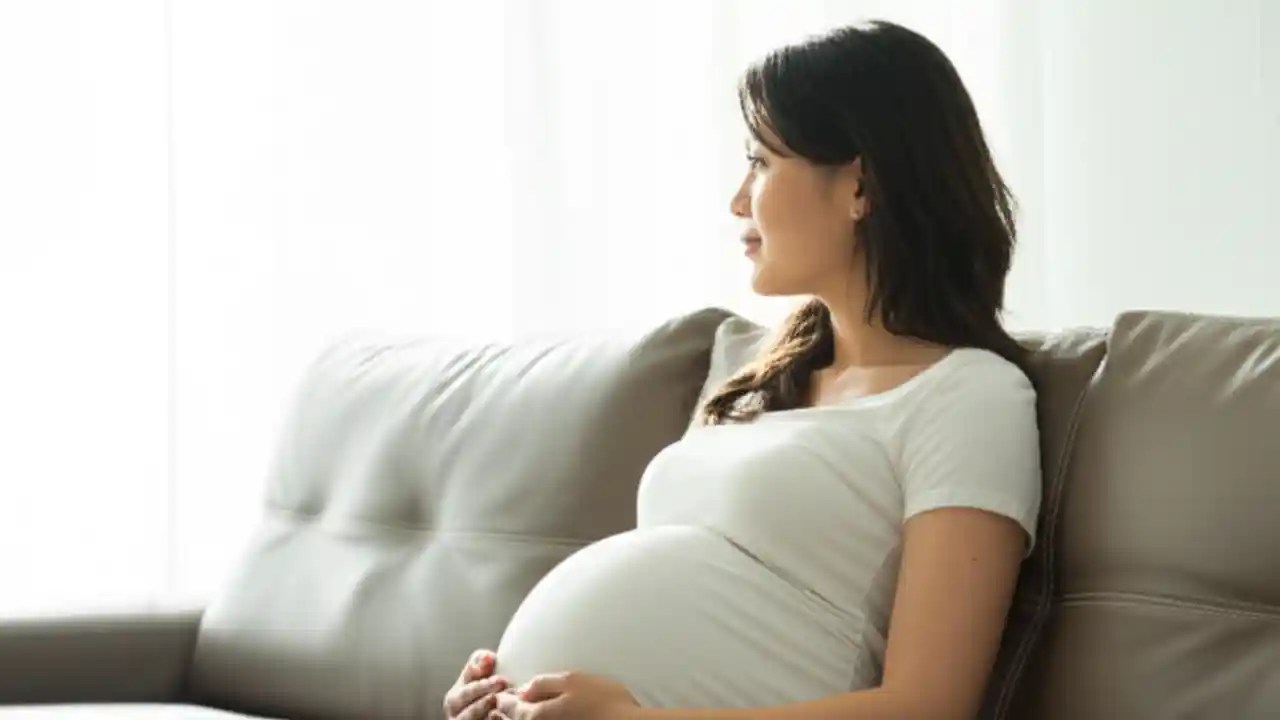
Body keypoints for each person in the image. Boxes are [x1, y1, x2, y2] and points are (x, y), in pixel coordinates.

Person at [444, 19, 1041, 720]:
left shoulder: (970, 396)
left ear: (860, 185)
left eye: (760, 161)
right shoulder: (762, 382)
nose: (736, 200)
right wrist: (501, 692)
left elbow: (929, 705)